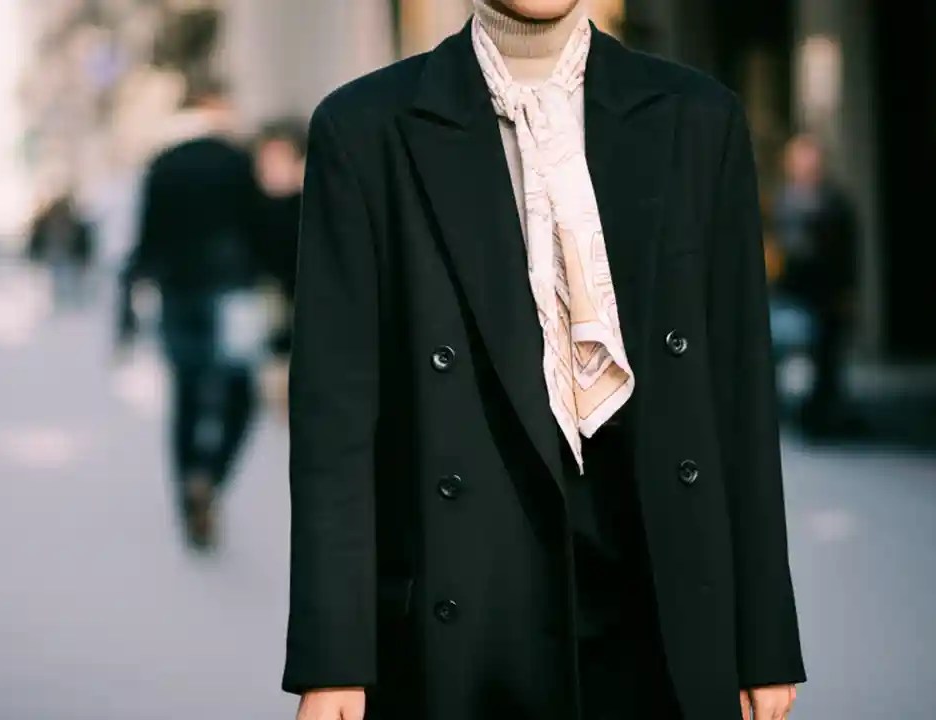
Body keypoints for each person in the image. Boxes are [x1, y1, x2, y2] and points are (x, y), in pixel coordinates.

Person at [284, 2, 805, 719]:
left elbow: (740, 395)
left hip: (663, 605)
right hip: (466, 614)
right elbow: (335, 422)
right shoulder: (366, 129)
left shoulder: (698, 120)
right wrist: (334, 661)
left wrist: (763, 639)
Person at [118, 80, 266, 550]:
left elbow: (145, 238)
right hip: (232, 290)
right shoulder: (237, 159)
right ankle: (211, 476)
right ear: (216, 107)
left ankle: (187, 490)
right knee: (241, 395)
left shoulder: (163, 163)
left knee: (186, 395)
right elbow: (261, 227)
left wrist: (126, 311)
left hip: (176, 292)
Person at [773, 134, 857, 437]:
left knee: (828, 356)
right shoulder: (784, 201)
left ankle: (824, 412)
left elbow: (847, 251)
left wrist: (848, 291)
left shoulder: (835, 202)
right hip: (792, 291)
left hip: (826, 292)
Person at [251, 119, 307, 357]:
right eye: (265, 160)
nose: (269, 168)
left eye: (278, 159)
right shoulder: (253, 207)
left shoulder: (315, 206)